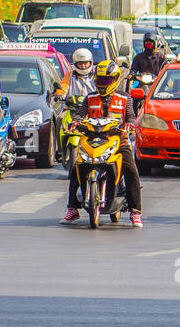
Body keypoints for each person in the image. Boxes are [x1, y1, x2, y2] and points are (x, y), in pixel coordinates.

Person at [61, 61, 143, 226]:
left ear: (115, 80)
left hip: (118, 141)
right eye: (100, 80)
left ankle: (135, 211)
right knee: (77, 166)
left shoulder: (125, 98)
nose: (102, 84)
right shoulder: (90, 98)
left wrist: (129, 126)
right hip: (91, 140)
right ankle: (72, 208)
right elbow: (79, 115)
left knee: (131, 170)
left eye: (106, 81)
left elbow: (131, 118)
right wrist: (75, 123)